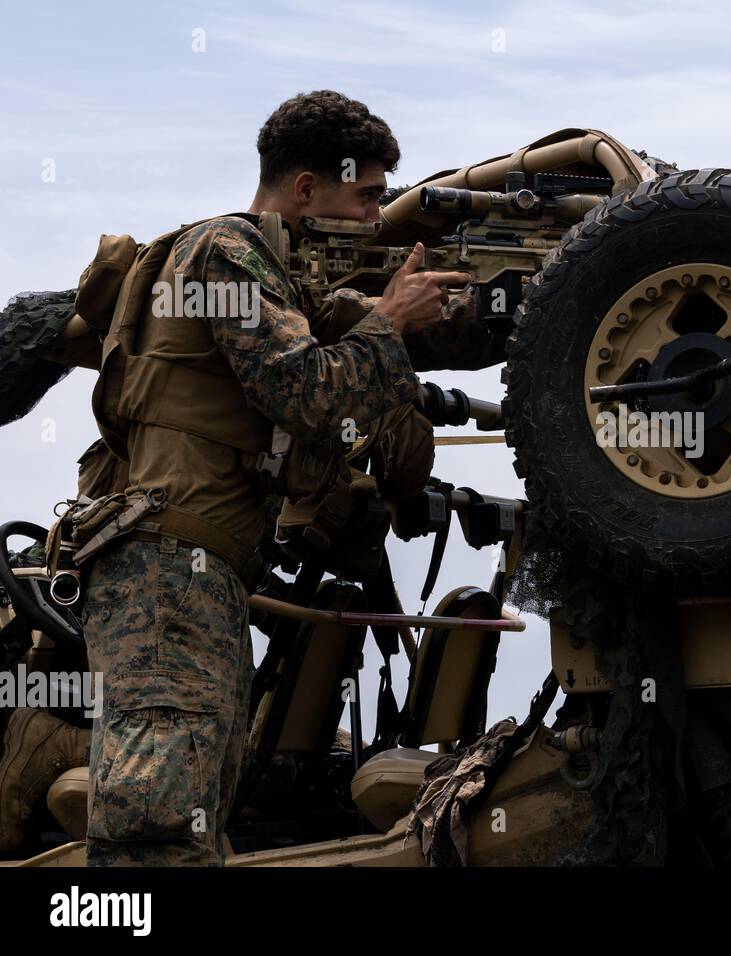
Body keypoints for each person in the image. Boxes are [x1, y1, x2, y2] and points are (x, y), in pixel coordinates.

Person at [81, 90, 467, 866]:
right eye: (365, 197)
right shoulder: (224, 251)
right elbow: (306, 392)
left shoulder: (281, 278)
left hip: (199, 573)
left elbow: (333, 359)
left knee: (194, 813)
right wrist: (389, 323)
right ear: (304, 189)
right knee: (158, 817)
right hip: (166, 570)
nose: (372, 219)